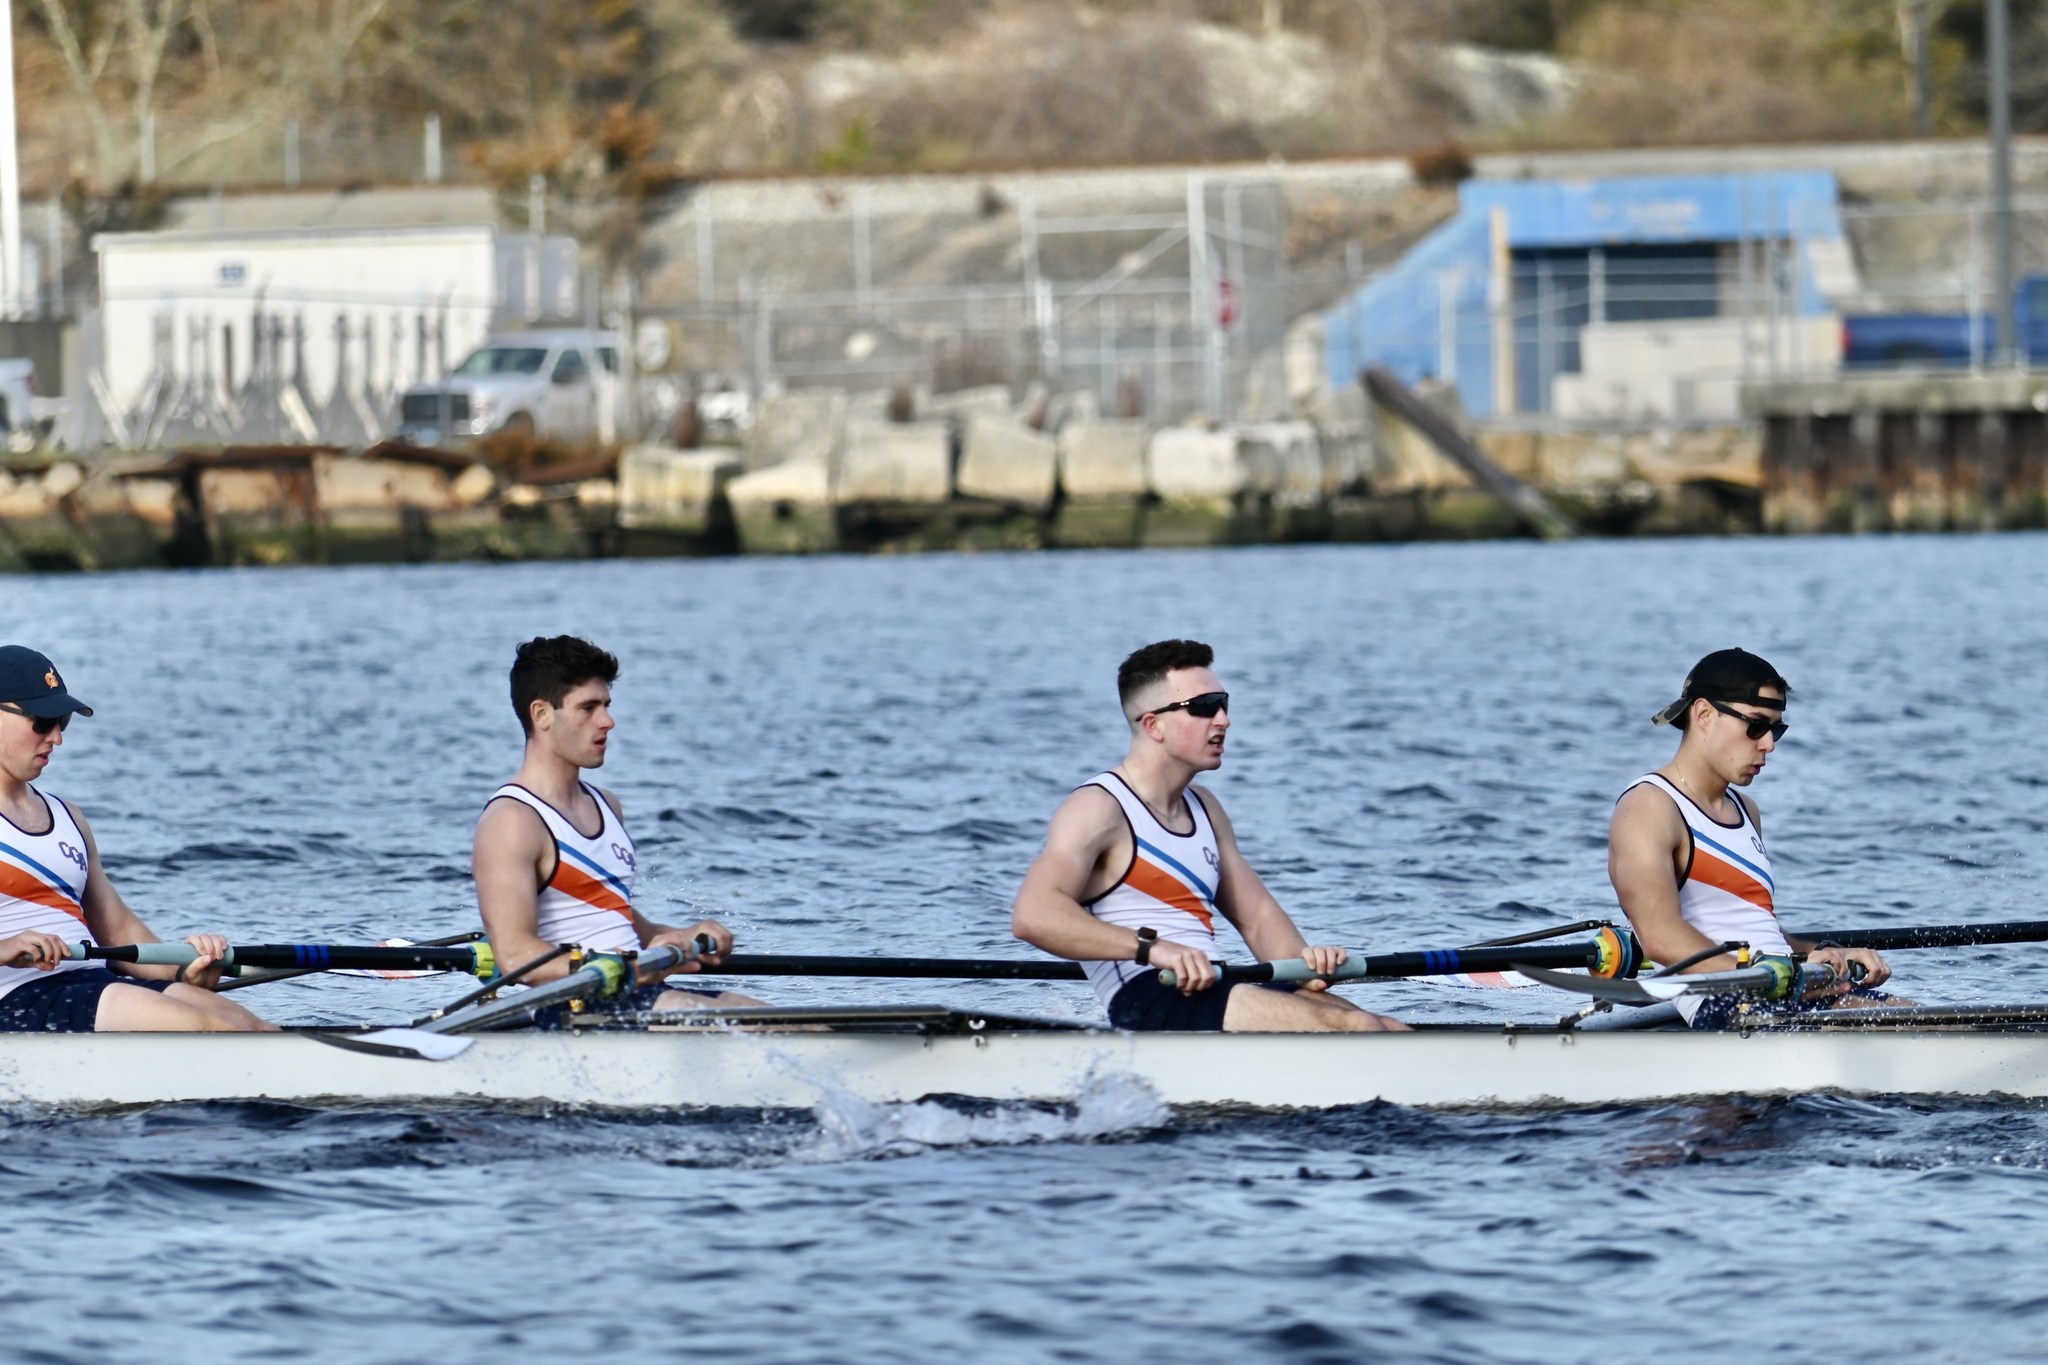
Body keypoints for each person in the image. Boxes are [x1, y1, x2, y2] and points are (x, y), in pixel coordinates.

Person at [1012, 639, 1405, 1033]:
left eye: (1223, 704)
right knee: (1358, 1030)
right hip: (1147, 996)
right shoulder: (1098, 807)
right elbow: (1033, 916)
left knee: (1384, 1026)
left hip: (1209, 987)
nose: (1222, 720)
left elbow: (1257, 918)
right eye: (1203, 708)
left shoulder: (1205, 808)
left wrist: (1310, 964)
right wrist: (1155, 949)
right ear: (1154, 725)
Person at [471, 635, 763, 1019]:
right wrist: (623, 966)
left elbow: (611, 917)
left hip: (635, 995)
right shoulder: (512, 822)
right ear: (541, 714)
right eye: (588, 708)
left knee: (776, 1015)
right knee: (770, 1029)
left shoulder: (607, 805)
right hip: (570, 1008)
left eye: (606, 705)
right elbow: (514, 955)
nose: (607, 721)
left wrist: (679, 935)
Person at [1608, 647, 1896, 1029]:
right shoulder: (1648, 807)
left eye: (1776, 729)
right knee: (1933, 1030)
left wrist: (1825, 953)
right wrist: (1774, 978)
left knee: (1945, 1023)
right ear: (1705, 715)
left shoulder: (1745, 809)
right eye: (1756, 725)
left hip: (1781, 993)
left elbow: (1756, 928)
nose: (1769, 744)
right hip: (1725, 1003)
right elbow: (1660, 937)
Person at [0, 645, 274, 1032]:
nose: (57, 738)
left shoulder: (69, 818)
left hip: (91, 982)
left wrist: (186, 968)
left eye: (62, 720)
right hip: (15, 996)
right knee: (209, 1029)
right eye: (43, 721)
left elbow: (119, 930)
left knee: (253, 1029)